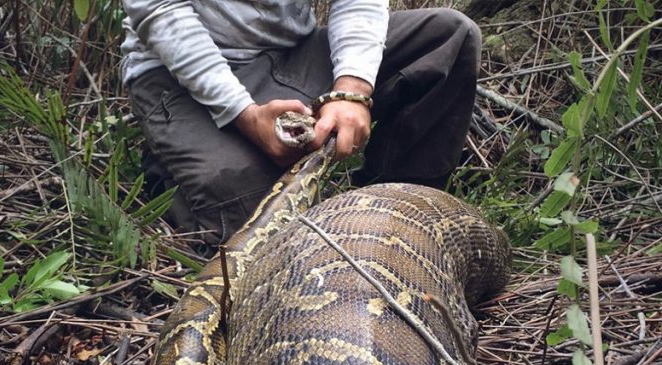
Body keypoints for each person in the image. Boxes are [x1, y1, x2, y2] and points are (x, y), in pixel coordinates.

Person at [121, 1, 481, 251]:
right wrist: (243, 115)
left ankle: (401, 218)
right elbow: (160, 12)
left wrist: (352, 90)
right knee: (265, 230)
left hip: (293, 53)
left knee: (450, 37)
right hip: (180, 75)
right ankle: (173, 168)